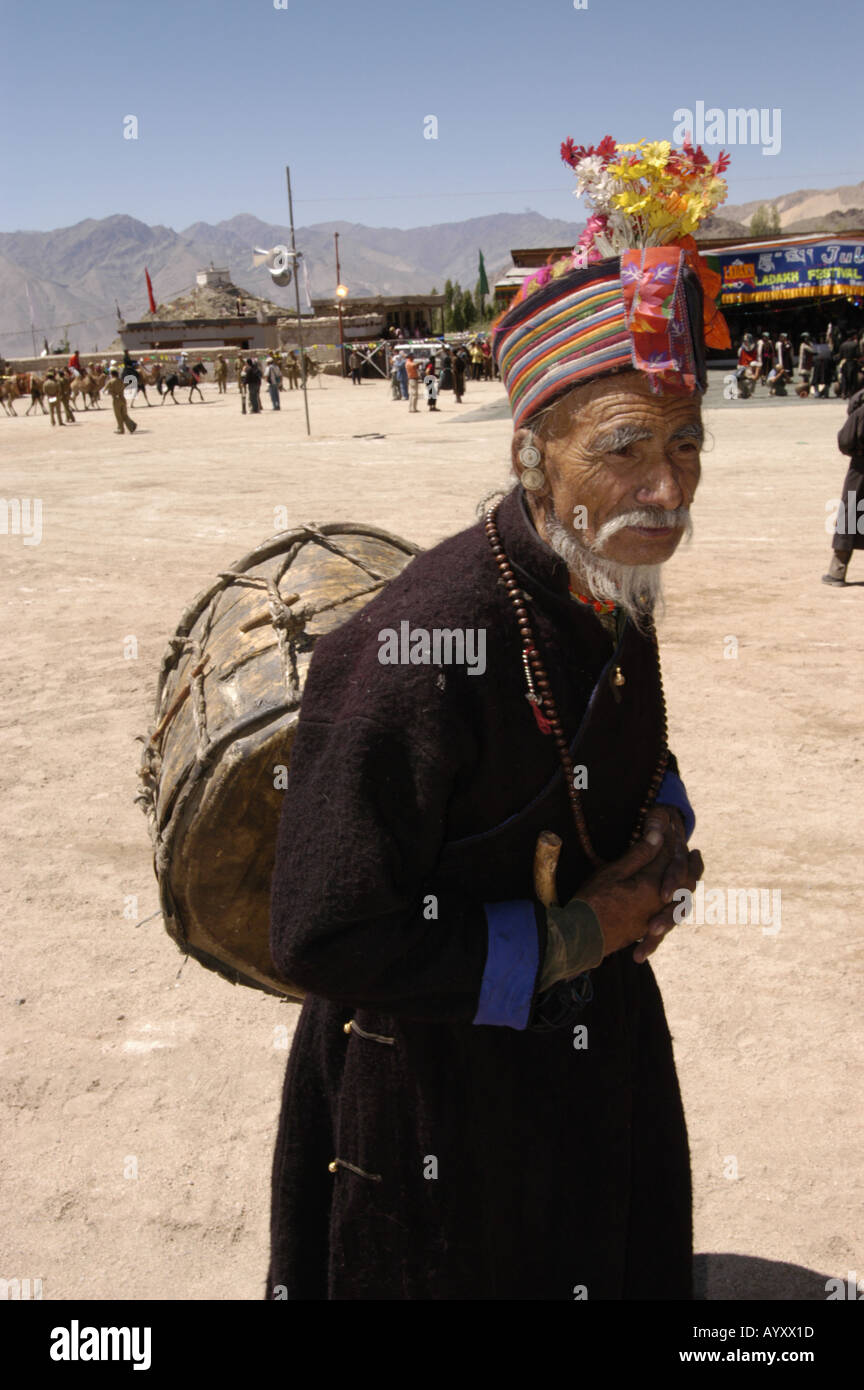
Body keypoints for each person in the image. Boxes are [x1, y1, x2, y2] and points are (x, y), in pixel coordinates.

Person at [267, 133, 721, 1302]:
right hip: (441, 1090)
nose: (666, 491)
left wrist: (662, 826)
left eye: (685, 444)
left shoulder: (604, 577)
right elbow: (320, 931)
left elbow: (629, 746)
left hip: (597, 1049)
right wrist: (579, 935)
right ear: (533, 456)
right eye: (623, 448)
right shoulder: (417, 646)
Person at [823, 385, 864, 585]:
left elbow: (845, 441)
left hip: (860, 470)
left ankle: (837, 572)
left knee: (850, 515)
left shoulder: (860, 412)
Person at [105, 369, 137, 434]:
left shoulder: (111, 381)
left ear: (112, 375)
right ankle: (131, 425)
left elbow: (105, 390)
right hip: (123, 399)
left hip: (116, 400)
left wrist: (110, 392)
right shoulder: (121, 381)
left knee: (118, 416)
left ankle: (121, 429)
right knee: (124, 415)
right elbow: (124, 387)